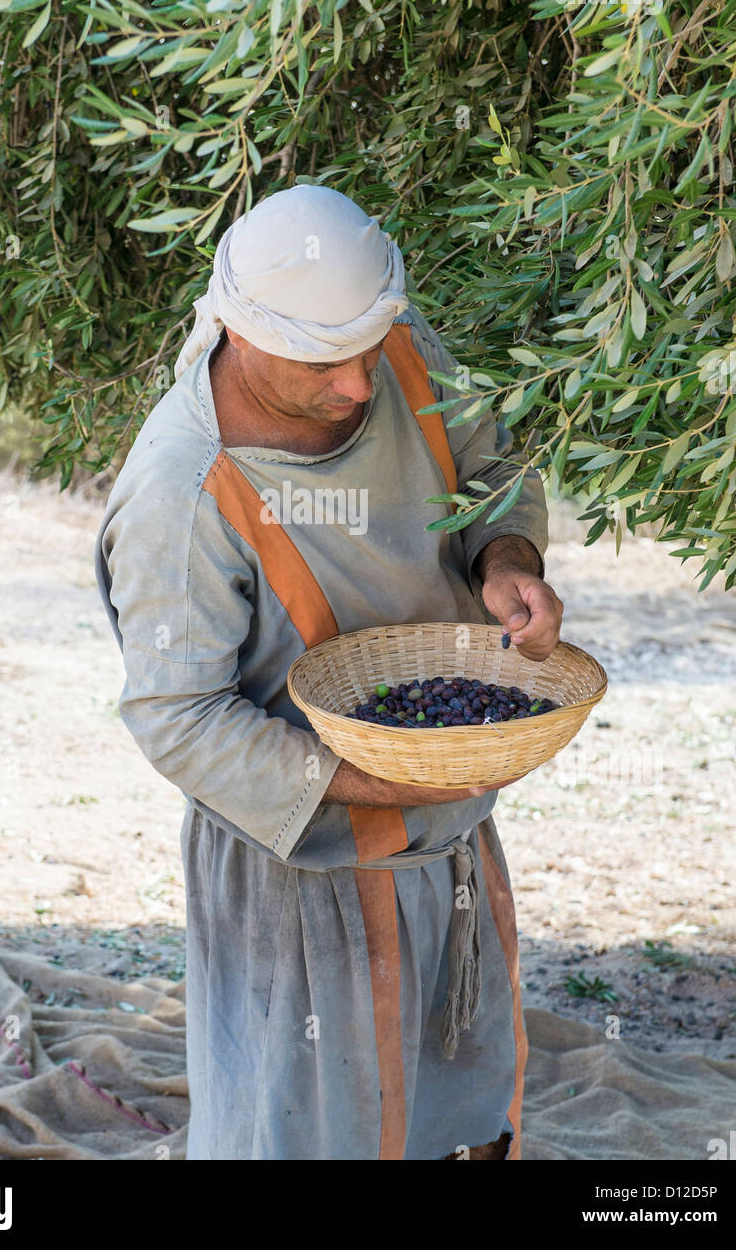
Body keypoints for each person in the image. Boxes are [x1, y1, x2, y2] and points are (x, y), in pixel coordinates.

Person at [95, 184, 563, 1160]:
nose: (360, 384)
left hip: (449, 823)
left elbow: (487, 461)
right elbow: (176, 714)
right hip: (301, 871)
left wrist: (507, 558)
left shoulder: (382, 335)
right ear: (239, 329)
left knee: (463, 1102)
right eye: (324, 364)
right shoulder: (184, 490)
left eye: (368, 349)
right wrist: (370, 781)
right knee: (315, 1127)